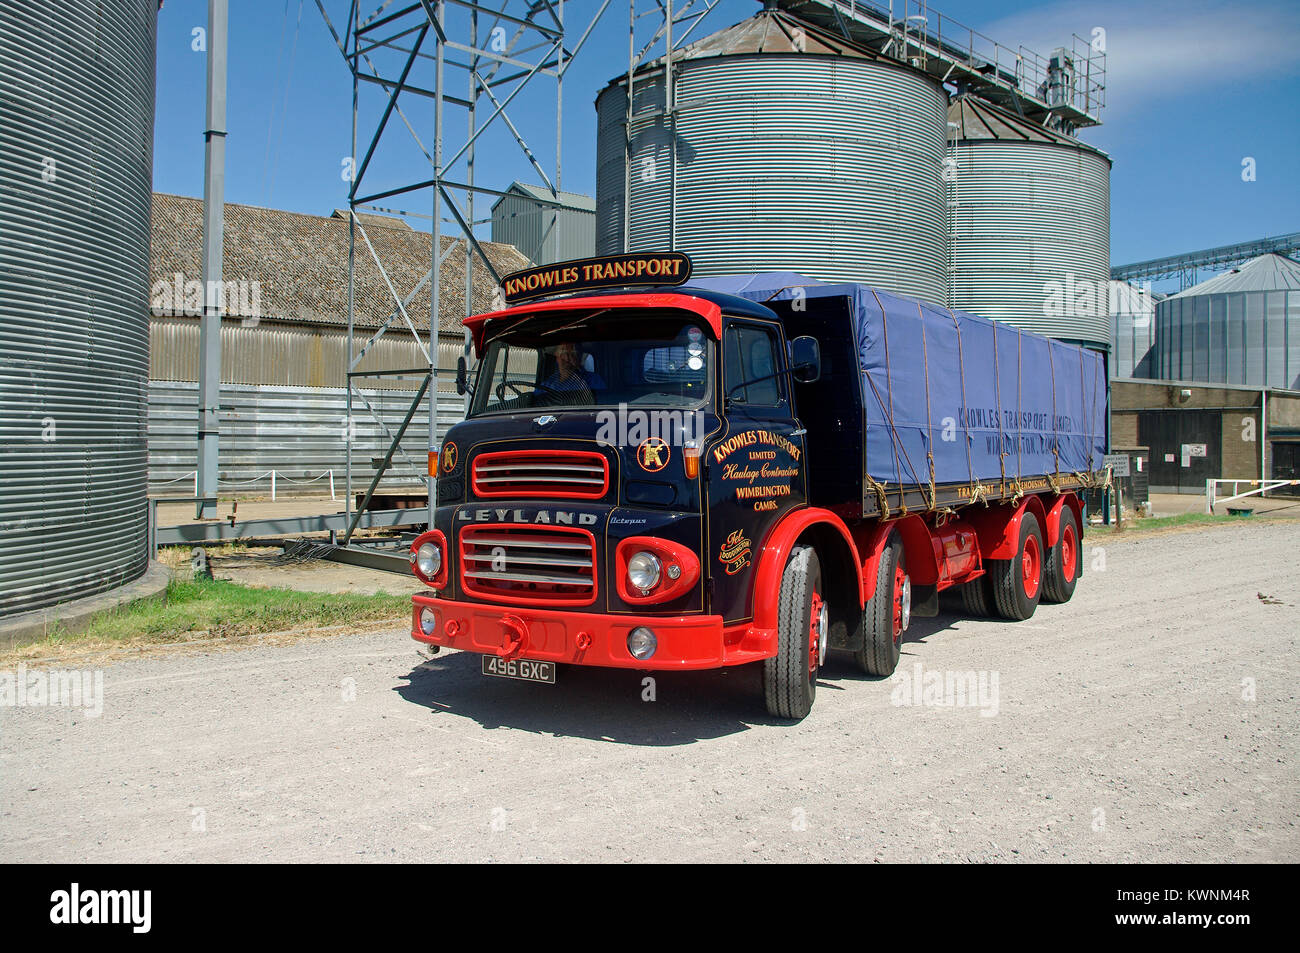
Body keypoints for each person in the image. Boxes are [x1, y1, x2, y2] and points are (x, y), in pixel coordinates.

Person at [539, 342, 604, 404]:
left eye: (572, 354)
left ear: (578, 358)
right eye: (562, 354)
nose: (567, 359)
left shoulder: (593, 380)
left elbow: (599, 405)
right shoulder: (547, 384)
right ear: (557, 358)